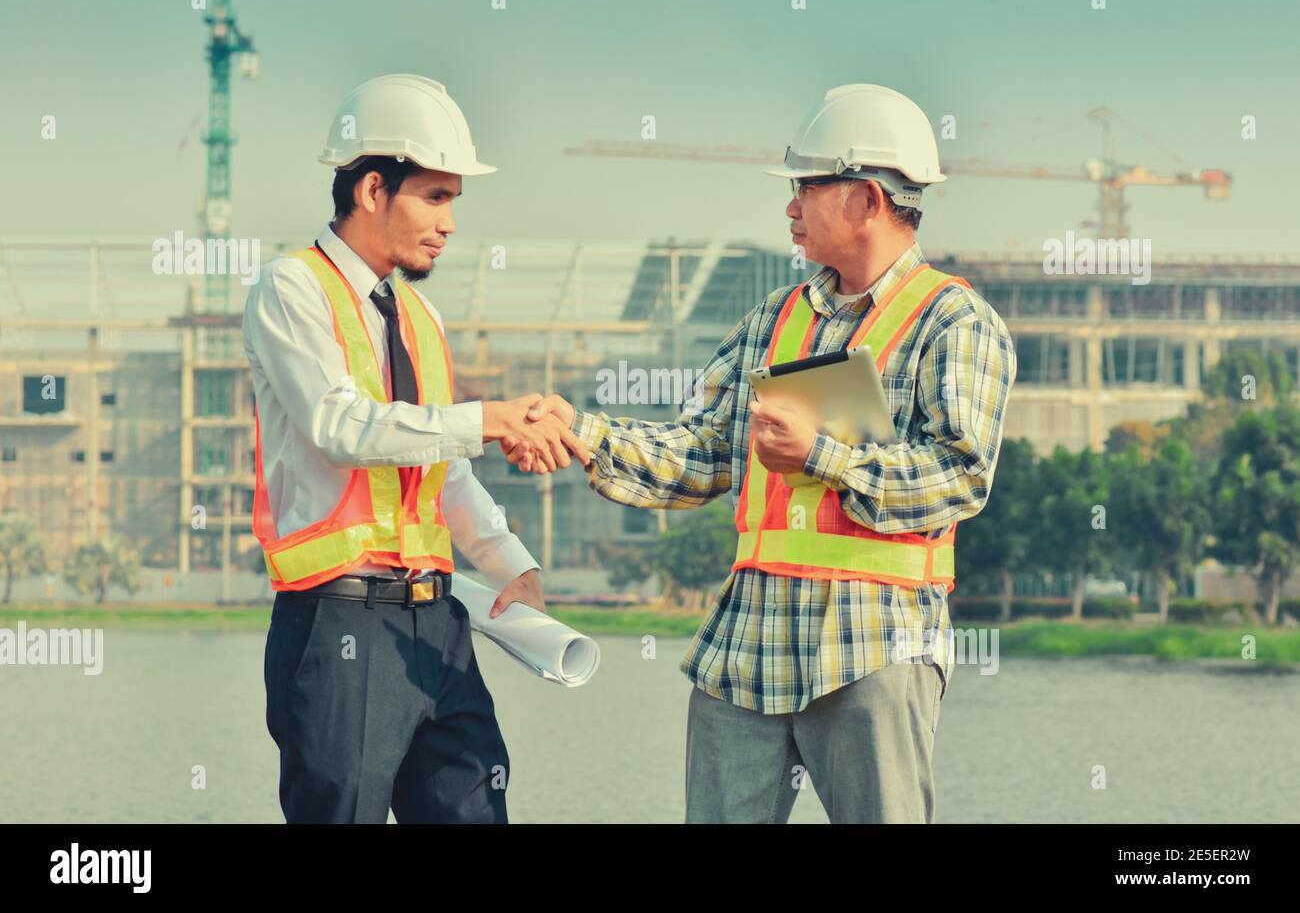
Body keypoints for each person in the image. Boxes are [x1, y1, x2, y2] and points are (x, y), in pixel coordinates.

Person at [504, 85, 1017, 823]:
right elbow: (702, 453)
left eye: (807, 187)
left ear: (868, 198)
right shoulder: (774, 320)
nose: (791, 207)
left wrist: (826, 458)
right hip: (747, 643)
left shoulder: (955, 322)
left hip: (873, 645)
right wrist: (583, 433)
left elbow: (960, 476)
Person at [244, 73, 590, 823]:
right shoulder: (289, 290)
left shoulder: (420, 315)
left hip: (436, 624)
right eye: (436, 197)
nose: (450, 223)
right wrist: (489, 417)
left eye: (453, 201)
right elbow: (340, 425)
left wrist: (509, 562)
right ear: (373, 189)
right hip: (338, 621)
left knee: (475, 803)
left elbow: (443, 469)